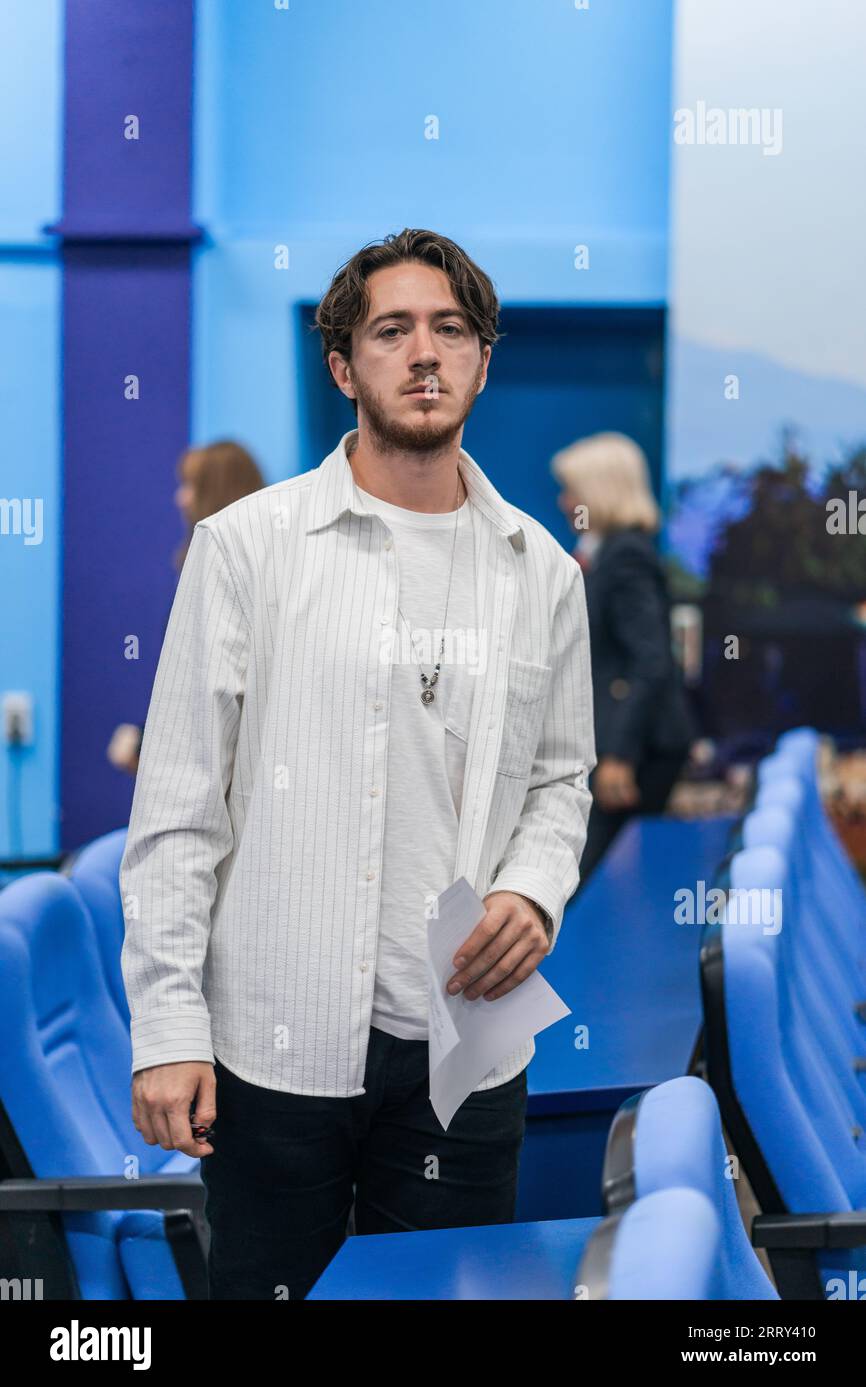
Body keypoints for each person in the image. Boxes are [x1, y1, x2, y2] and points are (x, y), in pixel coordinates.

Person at [119, 228, 596, 1300]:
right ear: (344, 367)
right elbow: (178, 809)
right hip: (273, 1043)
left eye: (451, 330)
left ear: (481, 359)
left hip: (464, 1045)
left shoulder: (541, 575)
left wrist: (531, 887)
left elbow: (560, 777)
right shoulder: (247, 548)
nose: (423, 353)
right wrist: (166, 1028)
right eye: (391, 330)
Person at [552, 430, 695, 883]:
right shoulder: (609, 553)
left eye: (572, 490)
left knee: (583, 876)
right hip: (631, 744)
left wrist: (619, 754)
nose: (563, 501)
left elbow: (649, 662)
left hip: (641, 750)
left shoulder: (626, 556)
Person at [107, 441, 264, 775]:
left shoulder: (225, 573)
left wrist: (143, 743)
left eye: (191, 486)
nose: (181, 498)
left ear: (216, 493)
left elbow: (206, 692)